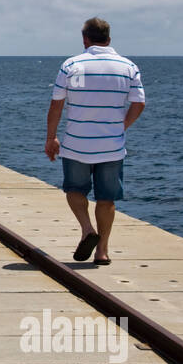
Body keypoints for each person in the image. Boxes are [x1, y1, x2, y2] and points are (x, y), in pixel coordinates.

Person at [43, 17, 145, 266]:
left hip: (76, 144)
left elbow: (57, 105)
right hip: (111, 146)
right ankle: (102, 251)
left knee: (74, 190)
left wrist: (51, 137)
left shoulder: (71, 65)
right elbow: (139, 103)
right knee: (106, 198)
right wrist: (121, 126)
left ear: (85, 39)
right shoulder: (128, 67)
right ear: (109, 39)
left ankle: (87, 228)